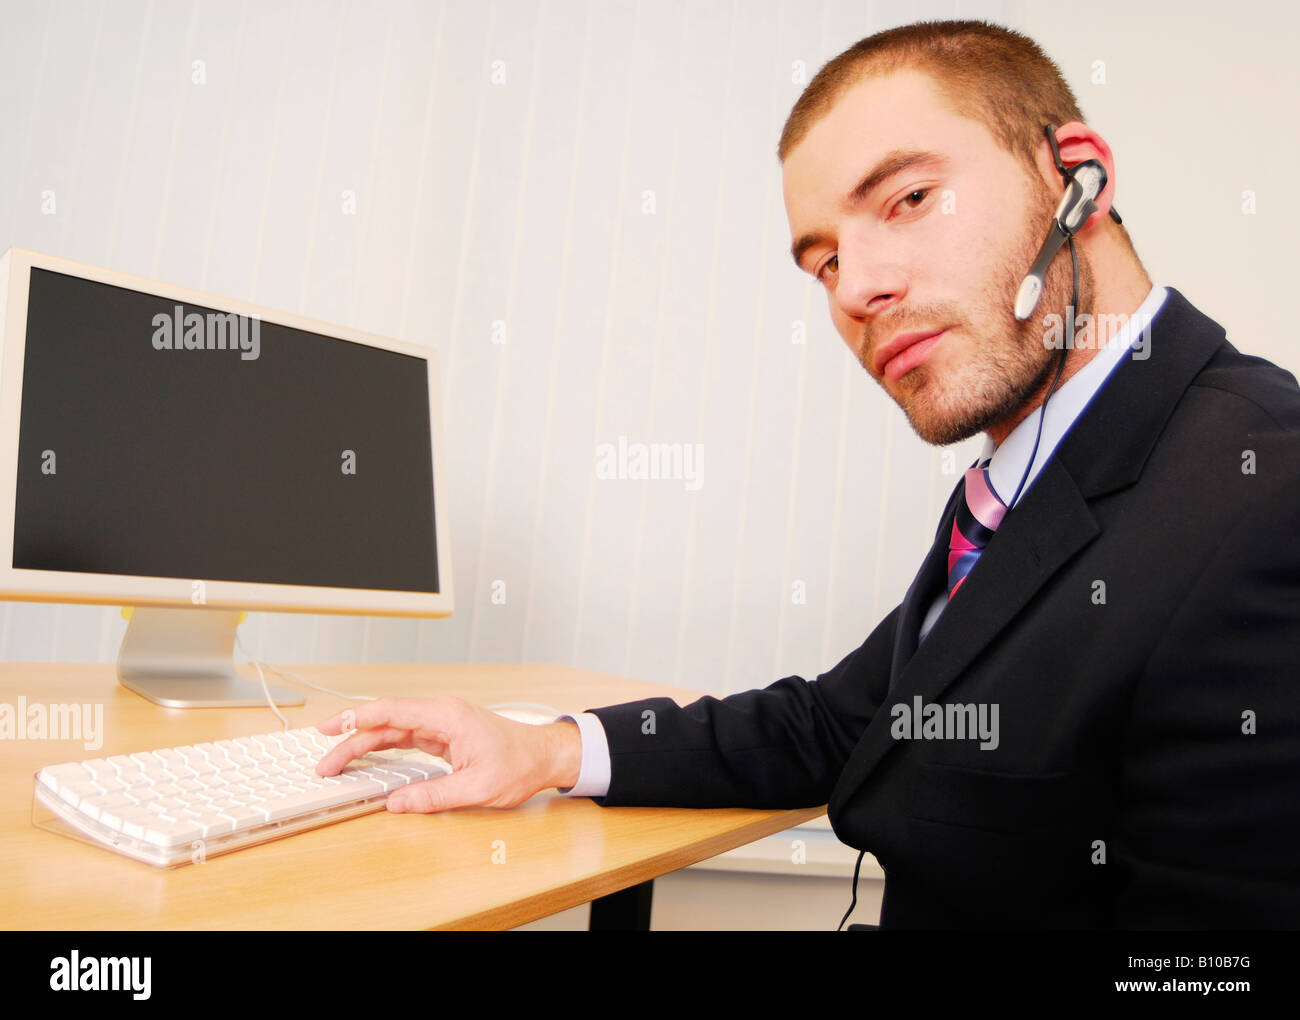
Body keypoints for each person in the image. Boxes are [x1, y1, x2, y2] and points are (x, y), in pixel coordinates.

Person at [315, 20, 1300, 928]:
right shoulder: (1030, 476)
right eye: (823, 262)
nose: (860, 289)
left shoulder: (1264, 490)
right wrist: (549, 749)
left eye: (908, 200)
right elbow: (838, 721)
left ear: (1076, 177)